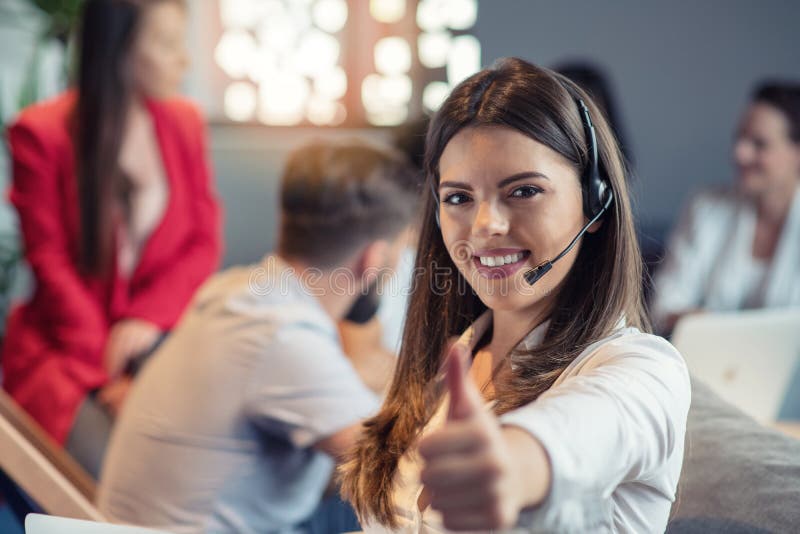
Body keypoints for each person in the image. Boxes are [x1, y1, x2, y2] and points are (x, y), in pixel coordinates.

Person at [340, 58, 690, 533]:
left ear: (596, 203)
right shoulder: (443, 367)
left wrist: (508, 465)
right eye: (459, 198)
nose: (486, 226)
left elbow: (576, 435)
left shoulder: (644, 369)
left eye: (524, 190)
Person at [97, 139, 420, 533]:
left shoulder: (237, 291)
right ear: (373, 259)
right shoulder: (283, 336)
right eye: (401, 252)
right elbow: (403, 463)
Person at [1, 0, 221, 478]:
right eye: (166, 44)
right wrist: (110, 372)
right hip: (67, 351)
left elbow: (203, 242)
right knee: (117, 471)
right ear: (117, 50)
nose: (183, 60)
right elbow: (50, 263)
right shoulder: (40, 133)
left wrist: (147, 320)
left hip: (161, 343)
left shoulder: (184, 123)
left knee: (203, 467)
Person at [651, 81, 800, 335]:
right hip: (709, 365)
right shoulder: (705, 206)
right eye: (739, 139)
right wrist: (690, 319)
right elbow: (664, 302)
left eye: (759, 144)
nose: (739, 153)